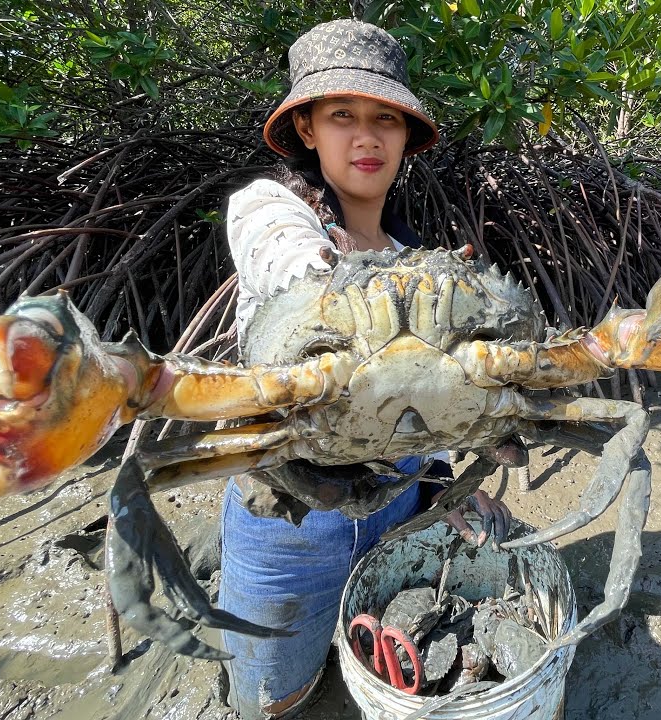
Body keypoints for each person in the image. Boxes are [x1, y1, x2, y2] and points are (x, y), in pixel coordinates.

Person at [218, 19, 510, 719]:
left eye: (386, 119)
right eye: (342, 116)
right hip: (287, 521)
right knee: (272, 702)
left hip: (397, 504)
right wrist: (375, 296)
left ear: (406, 135)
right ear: (307, 129)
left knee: (397, 666)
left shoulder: (416, 260)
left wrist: (450, 481)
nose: (367, 137)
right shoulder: (268, 209)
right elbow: (286, 257)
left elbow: (426, 399)